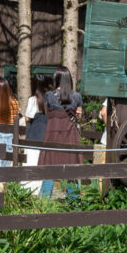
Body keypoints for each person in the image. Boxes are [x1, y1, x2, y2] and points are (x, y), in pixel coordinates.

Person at [38, 66, 83, 200]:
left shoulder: (49, 95)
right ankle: (73, 202)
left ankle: (44, 201)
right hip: (70, 136)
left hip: (53, 135)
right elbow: (79, 116)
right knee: (71, 169)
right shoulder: (77, 96)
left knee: (50, 169)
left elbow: (47, 114)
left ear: (56, 78)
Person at [19, 73, 52, 196]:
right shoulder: (51, 98)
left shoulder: (33, 99)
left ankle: (27, 191)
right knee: (41, 162)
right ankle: (38, 191)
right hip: (46, 134)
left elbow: (28, 118)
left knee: (30, 162)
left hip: (34, 133)